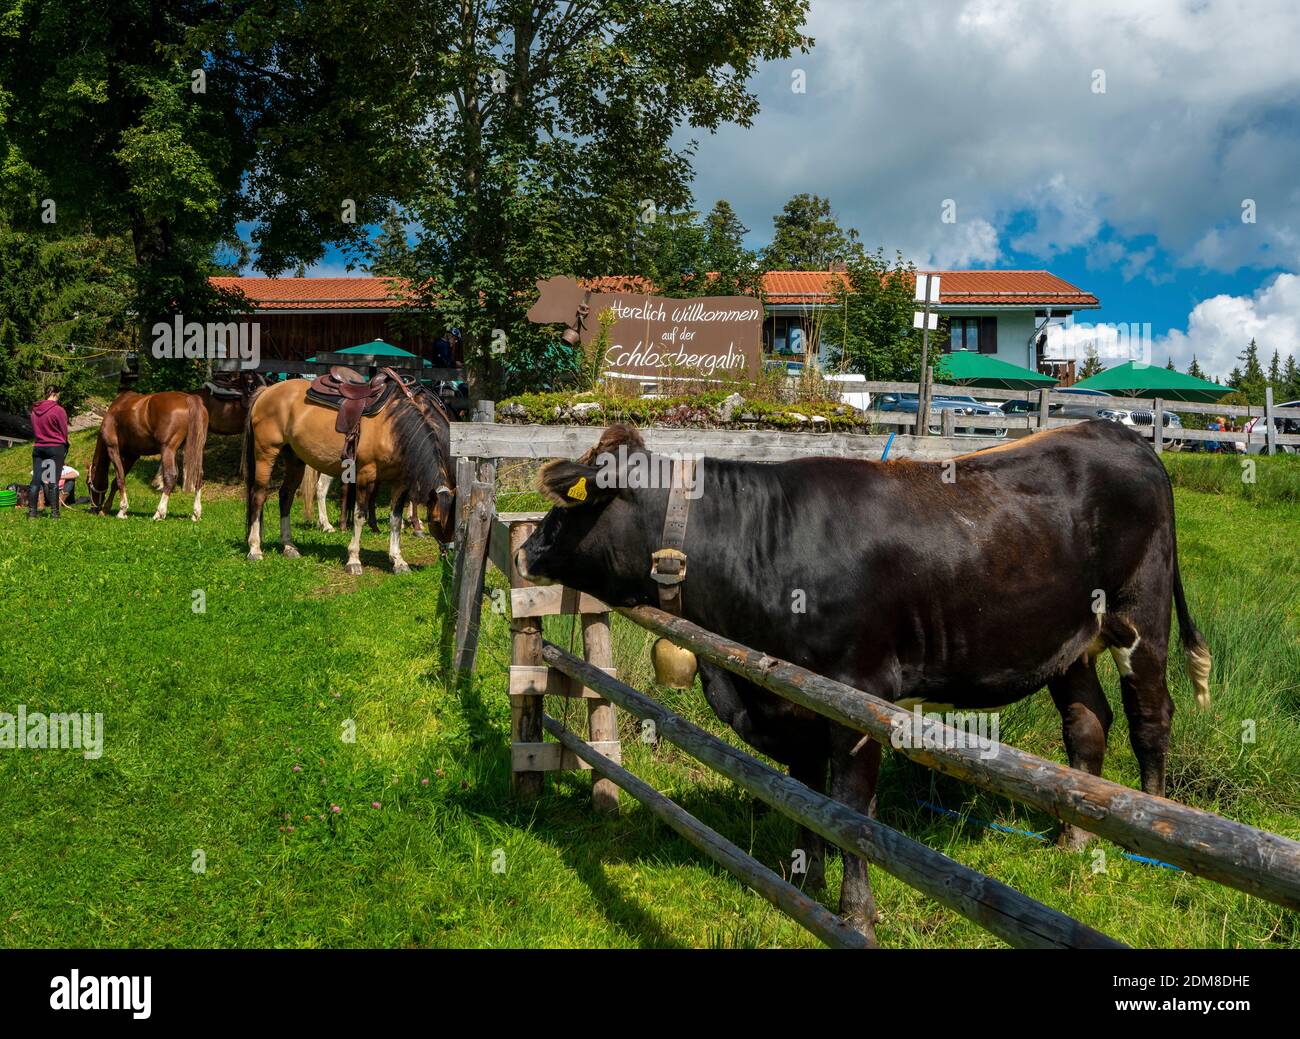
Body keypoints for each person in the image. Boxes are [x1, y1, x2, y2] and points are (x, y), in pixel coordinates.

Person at [28, 387, 70, 519]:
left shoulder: (35, 411)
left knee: (35, 481)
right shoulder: (58, 410)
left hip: (39, 447)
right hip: (55, 448)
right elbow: (64, 431)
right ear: (55, 394)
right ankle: (55, 514)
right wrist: (65, 444)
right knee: (53, 481)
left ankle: (32, 513)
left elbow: (35, 429)